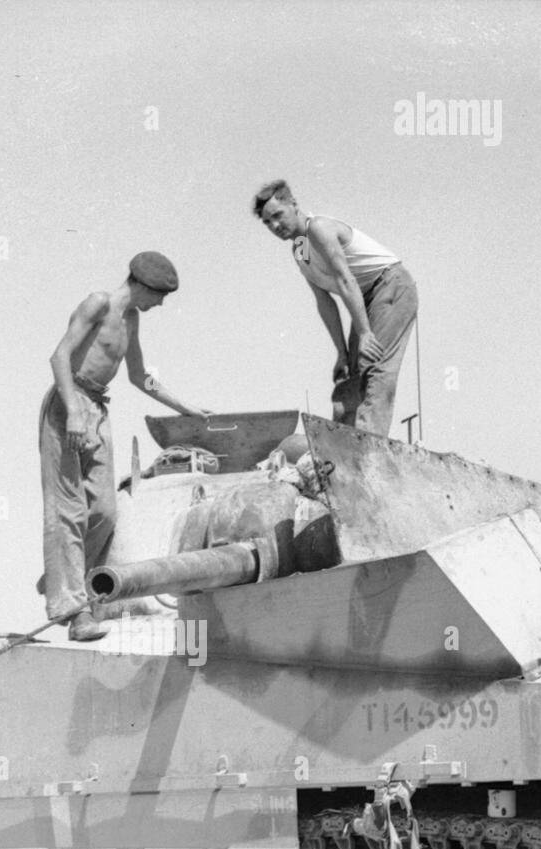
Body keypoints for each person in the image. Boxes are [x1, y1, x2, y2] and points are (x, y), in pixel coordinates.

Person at [41, 251, 212, 640]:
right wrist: (72, 411)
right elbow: (60, 356)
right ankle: (74, 611)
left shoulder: (131, 319)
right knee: (67, 510)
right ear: (140, 284)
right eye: (159, 295)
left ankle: (64, 572)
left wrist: (185, 407)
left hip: (99, 408)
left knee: (104, 510)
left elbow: (139, 376)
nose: (161, 304)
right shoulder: (98, 303)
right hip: (69, 403)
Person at [252, 179, 418, 437]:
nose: (275, 226)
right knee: (351, 374)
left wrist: (364, 333)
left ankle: (367, 449)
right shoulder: (300, 248)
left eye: (277, 215)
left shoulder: (317, 229)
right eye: (267, 222)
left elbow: (345, 279)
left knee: (374, 366)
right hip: (364, 298)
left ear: (294, 204)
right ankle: (343, 445)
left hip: (390, 285)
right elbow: (324, 300)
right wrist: (341, 351)